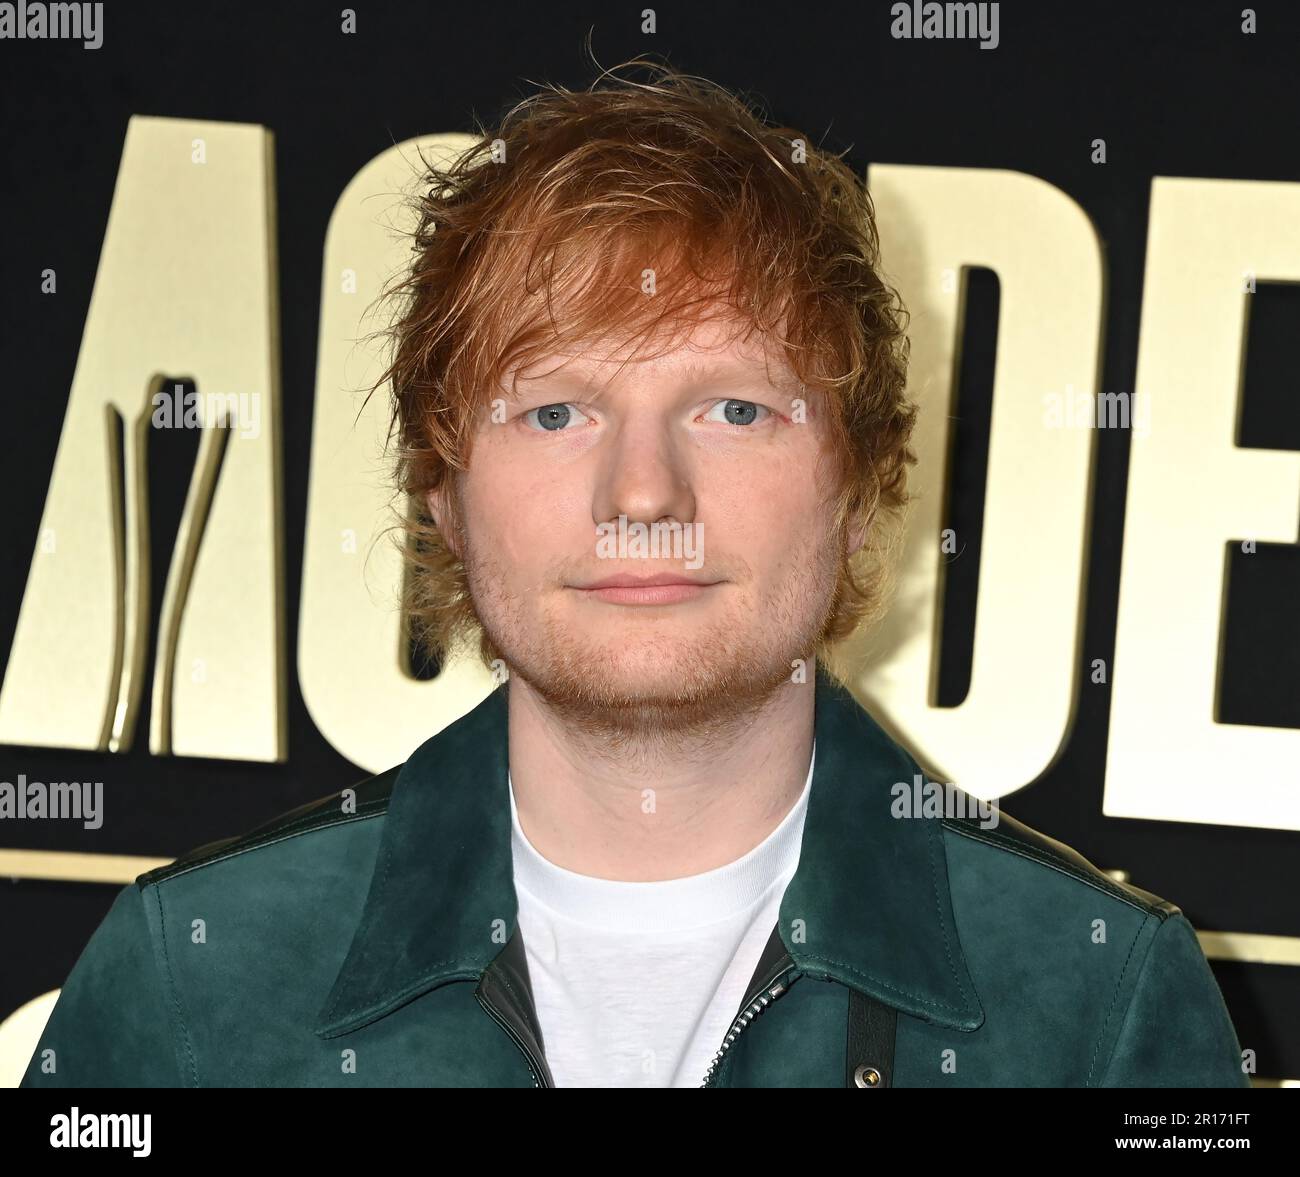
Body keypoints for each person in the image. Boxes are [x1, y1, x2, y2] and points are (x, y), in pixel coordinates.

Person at [21, 57, 1248, 1089]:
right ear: (439, 489)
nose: (643, 492)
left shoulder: (1101, 1004)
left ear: (860, 482)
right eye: (555, 413)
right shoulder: (189, 978)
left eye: (731, 407)